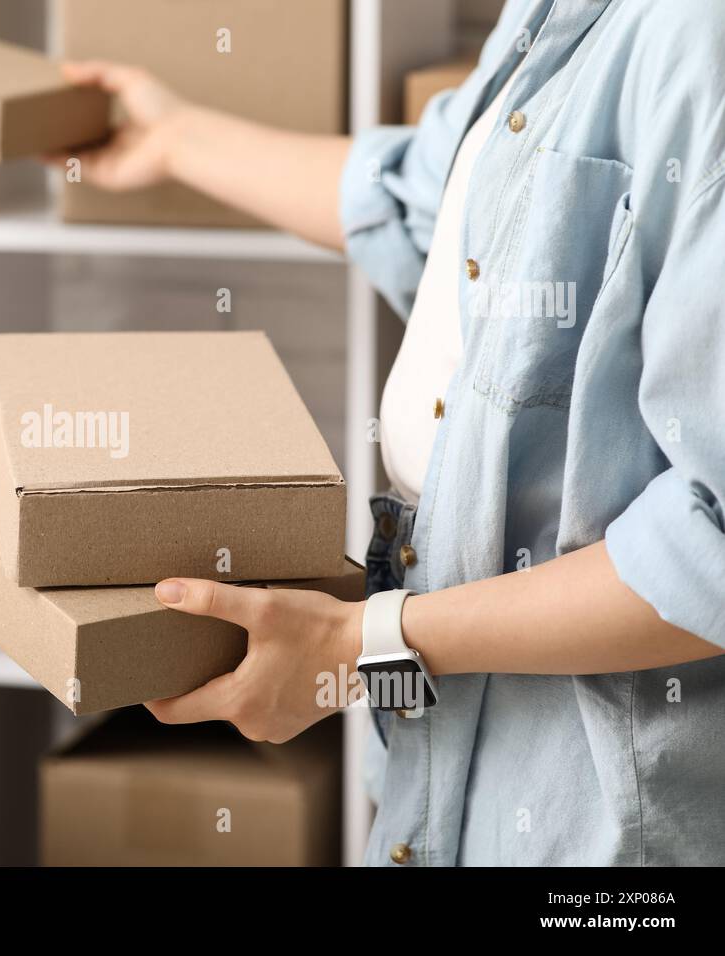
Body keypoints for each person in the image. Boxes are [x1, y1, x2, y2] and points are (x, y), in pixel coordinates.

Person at [57, 0, 725, 866]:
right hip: (451, 750)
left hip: (600, 829)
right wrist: (175, 136)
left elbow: (711, 539)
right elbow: (432, 214)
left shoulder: (697, 34)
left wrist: (362, 645)